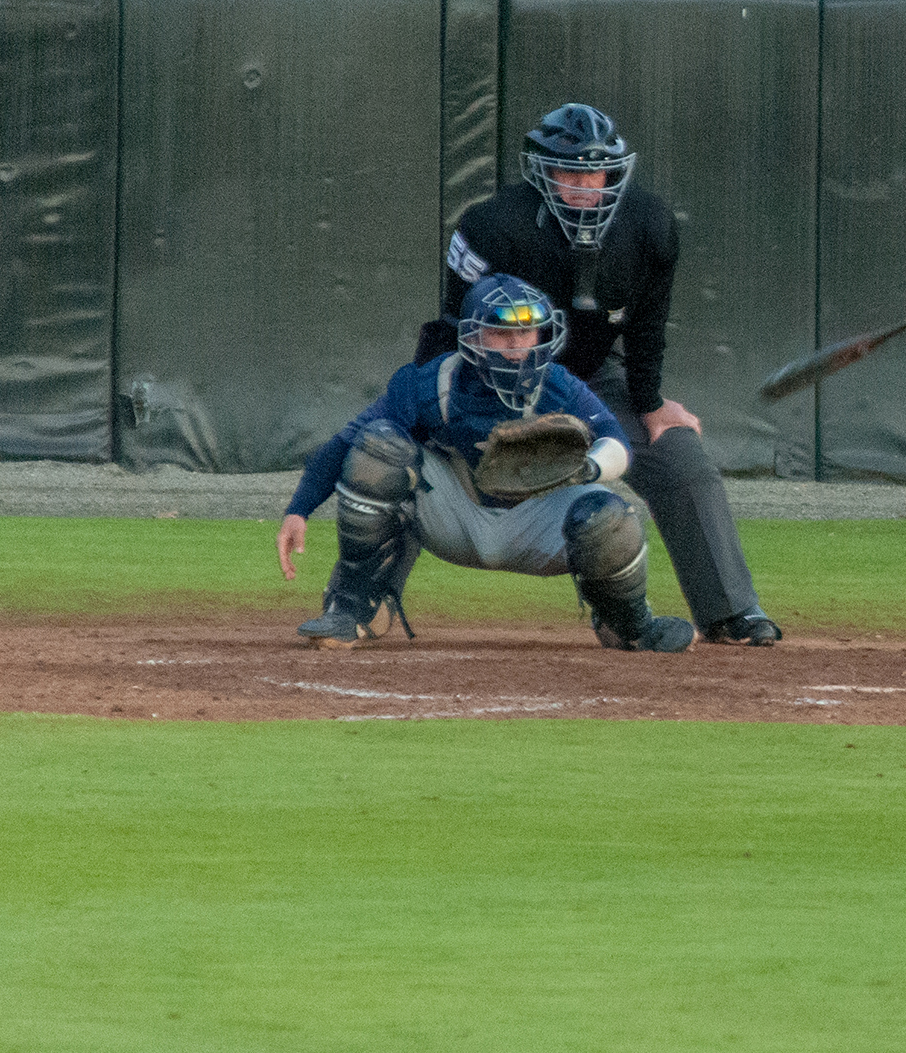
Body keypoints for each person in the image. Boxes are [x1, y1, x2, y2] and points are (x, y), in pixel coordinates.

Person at [413, 103, 780, 646]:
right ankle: (359, 601)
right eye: (570, 171)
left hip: (591, 374)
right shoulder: (489, 226)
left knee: (681, 457)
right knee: (388, 451)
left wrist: (651, 403)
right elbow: (456, 329)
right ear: (542, 172)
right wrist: (443, 414)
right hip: (492, 374)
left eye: (596, 171)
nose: (586, 184)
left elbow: (648, 326)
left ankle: (728, 611)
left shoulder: (649, 226)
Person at [277, 273, 695, 654]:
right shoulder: (431, 383)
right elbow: (346, 441)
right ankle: (354, 606)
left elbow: (617, 443)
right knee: (378, 448)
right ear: (473, 338)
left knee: (610, 516)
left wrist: (585, 470)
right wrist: (299, 508)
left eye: (527, 331)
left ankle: (629, 624)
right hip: (456, 515)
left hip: (539, 522)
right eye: (501, 333)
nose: (517, 345)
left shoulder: (560, 385)